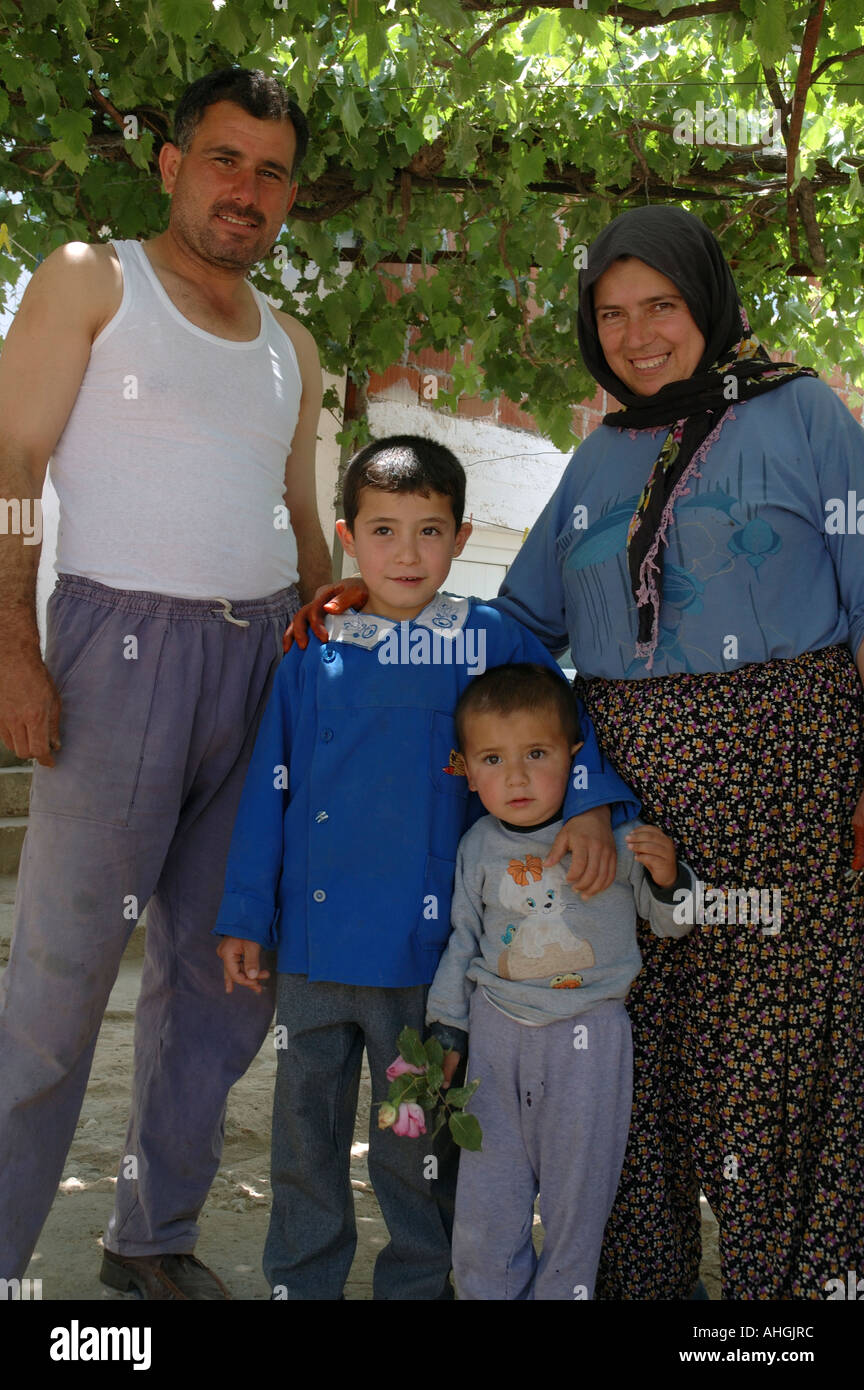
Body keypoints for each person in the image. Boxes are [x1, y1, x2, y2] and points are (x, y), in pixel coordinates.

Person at [289, 205, 864, 1300]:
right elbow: (515, 627)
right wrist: (372, 606)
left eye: (662, 305)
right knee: (629, 1066)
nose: (639, 334)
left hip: (785, 789)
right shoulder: (601, 455)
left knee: (776, 1069)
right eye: (612, 314)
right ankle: (643, 1290)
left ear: (708, 299)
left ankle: (779, 1309)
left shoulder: (804, 417)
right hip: (623, 809)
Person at [0, 67, 332, 1300]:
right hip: (115, 655)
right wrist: (11, 647)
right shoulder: (93, 278)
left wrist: (328, 680)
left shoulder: (291, 347)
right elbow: (12, 458)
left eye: (272, 171)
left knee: (221, 981)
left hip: (265, 669)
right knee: (59, 987)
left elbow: (304, 527)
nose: (246, 189)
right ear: (173, 164)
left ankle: (150, 1241)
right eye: (224, 158)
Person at [213, 434, 639, 1300]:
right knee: (304, 1138)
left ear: (461, 533)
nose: (406, 554)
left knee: (418, 1147)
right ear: (347, 537)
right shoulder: (313, 650)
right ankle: (301, 1283)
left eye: (430, 531)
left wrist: (593, 804)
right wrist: (243, 912)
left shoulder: (492, 639)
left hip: (429, 954)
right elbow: (269, 788)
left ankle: (417, 1287)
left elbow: (567, 728)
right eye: (383, 531)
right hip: (313, 948)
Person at [424, 663, 695, 1300]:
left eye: (537, 753)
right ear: (464, 767)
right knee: (488, 1199)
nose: (515, 776)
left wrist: (668, 878)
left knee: (579, 1201)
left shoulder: (618, 839)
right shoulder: (476, 846)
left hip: (590, 1036)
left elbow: (673, 925)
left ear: (575, 757)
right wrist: (446, 1030)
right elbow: (461, 941)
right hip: (495, 1029)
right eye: (492, 758)